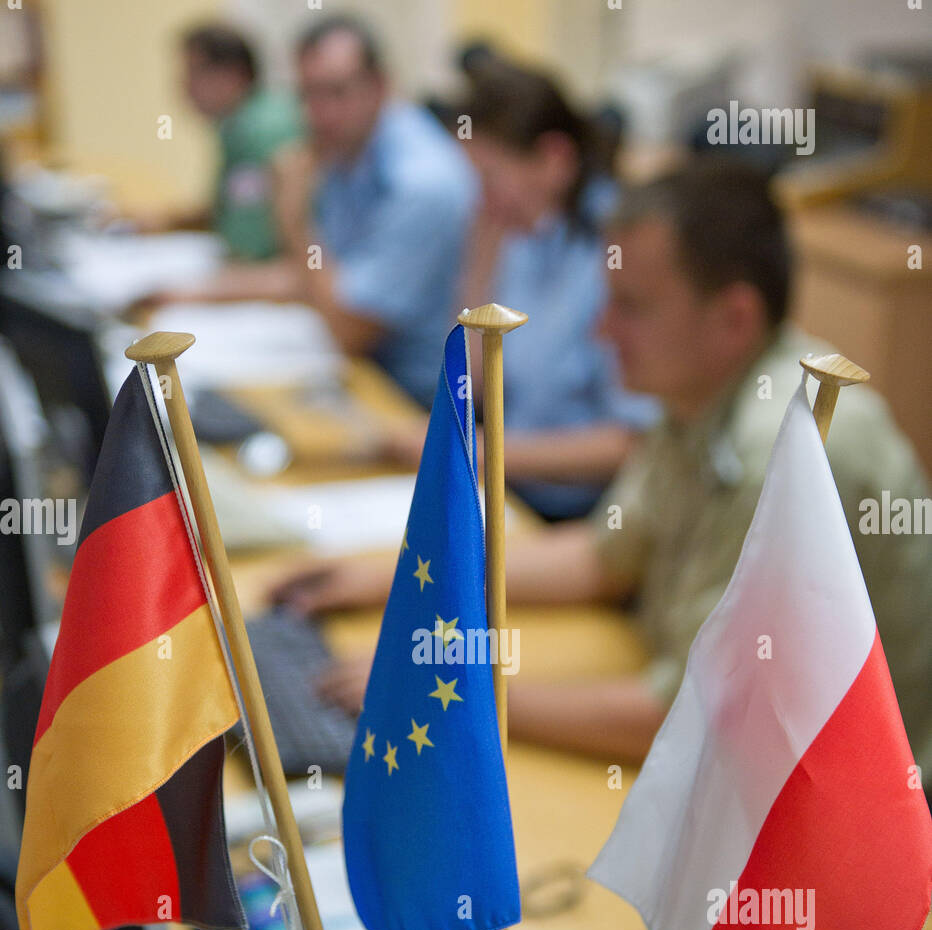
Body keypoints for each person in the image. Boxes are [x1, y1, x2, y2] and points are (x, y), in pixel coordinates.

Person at [274, 161, 932, 781]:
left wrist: (458, 695)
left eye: (632, 306)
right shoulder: (705, 397)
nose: (602, 330)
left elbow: (696, 719)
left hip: (846, 809)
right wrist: (385, 578)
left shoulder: (783, 448)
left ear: (733, 318)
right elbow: (605, 555)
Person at [380, 55, 659, 520]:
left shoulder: (620, 253)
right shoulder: (522, 232)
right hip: (509, 492)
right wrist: (479, 261)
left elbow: (635, 442)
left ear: (553, 160)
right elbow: (470, 385)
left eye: (490, 177)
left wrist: (484, 453)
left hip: (581, 515)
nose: (480, 198)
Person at [160, 17, 476, 408]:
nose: (319, 113)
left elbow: (350, 329)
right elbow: (327, 280)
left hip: (417, 401)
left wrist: (294, 220)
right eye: (308, 95)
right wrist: (195, 292)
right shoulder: (348, 151)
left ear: (380, 87)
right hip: (362, 369)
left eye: (337, 92)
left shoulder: (422, 182)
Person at [137, 25, 303, 261]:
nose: (184, 86)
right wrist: (164, 221)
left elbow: (257, 246)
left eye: (195, 73)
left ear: (234, 74)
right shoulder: (237, 126)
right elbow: (227, 215)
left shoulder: (263, 130)